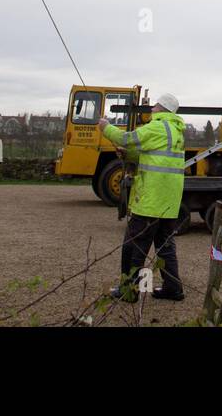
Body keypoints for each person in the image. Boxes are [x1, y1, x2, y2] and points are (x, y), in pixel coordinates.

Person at [97, 93, 186, 302]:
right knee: (165, 247)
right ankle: (174, 289)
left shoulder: (157, 126)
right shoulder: (176, 131)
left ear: (162, 108)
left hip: (151, 201)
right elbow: (153, 156)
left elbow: (126, 139)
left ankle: (128, 291)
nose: (152, 108)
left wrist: (105, 128)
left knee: (133, 246)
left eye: (155, 105)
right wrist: (128, 155)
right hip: (169, 201)